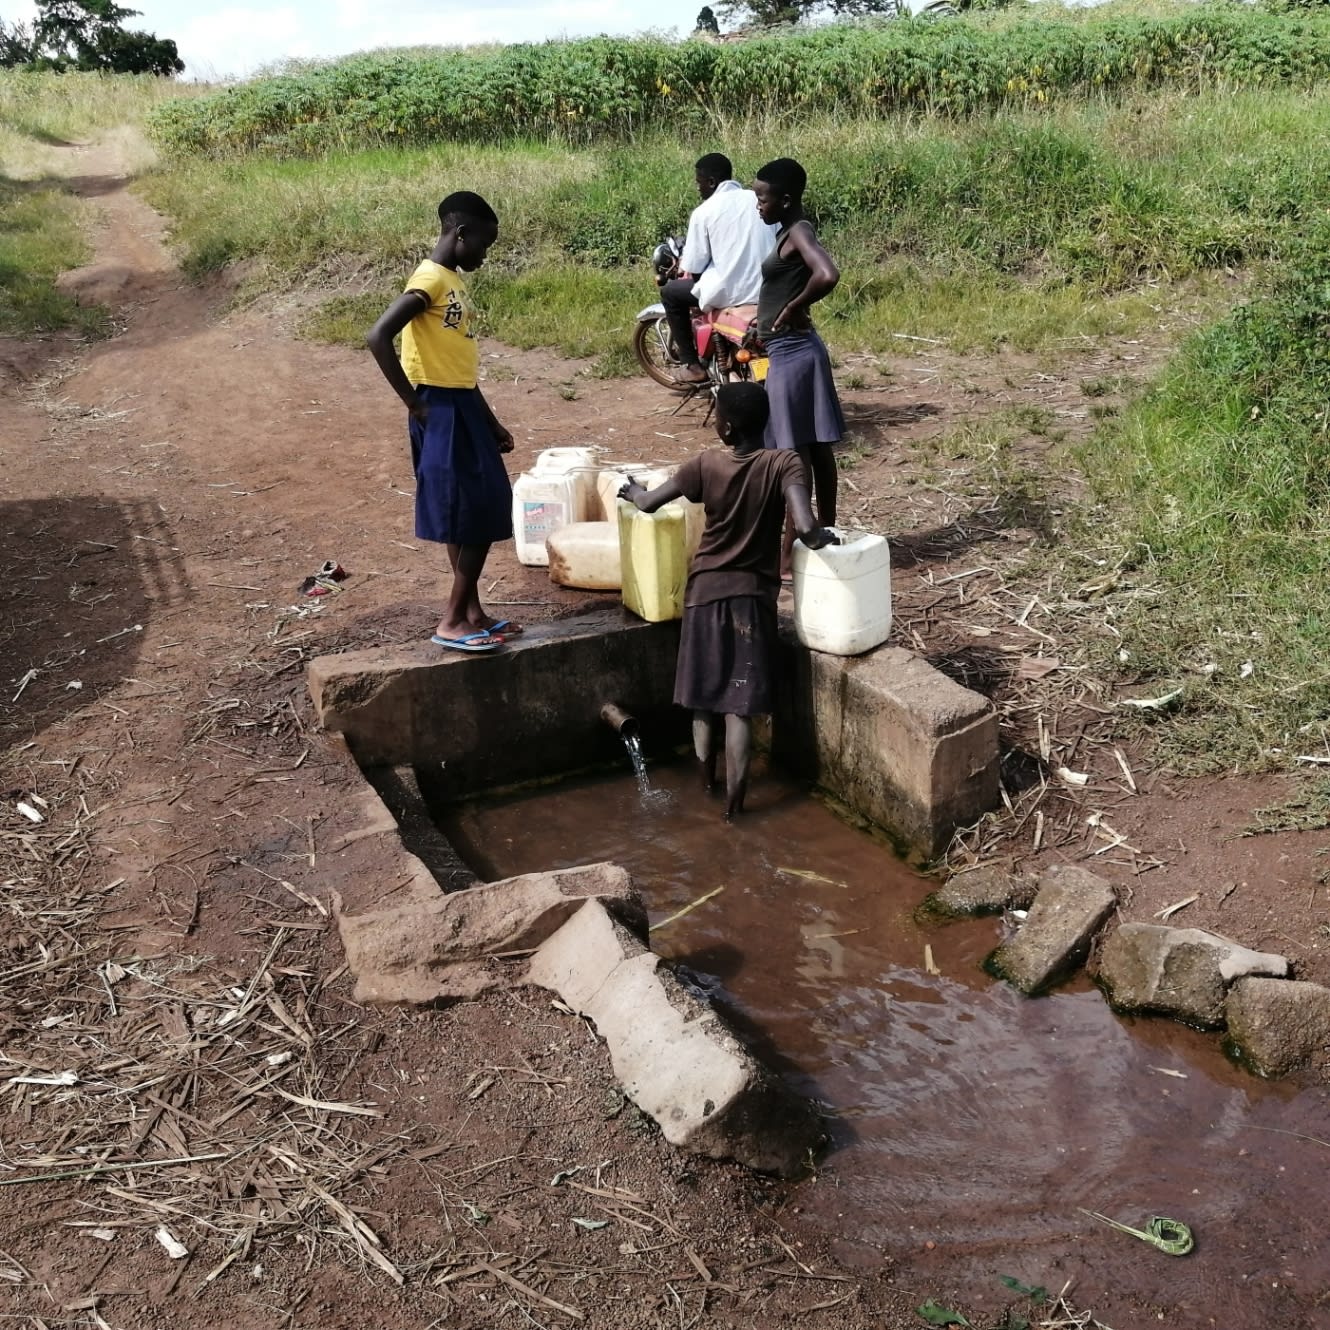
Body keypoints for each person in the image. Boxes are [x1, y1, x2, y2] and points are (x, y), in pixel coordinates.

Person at [619, 383, 837, 820]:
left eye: (716, 415)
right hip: (751, 601)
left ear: (727, 429)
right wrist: (823, 539)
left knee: (703, 698)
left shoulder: (705, 465)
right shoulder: (784, 463)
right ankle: (735, 812)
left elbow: (646, 504)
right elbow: (807, 526)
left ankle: (707, 786)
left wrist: (635, 489)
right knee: (739, 706)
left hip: (703, 595)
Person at [366, 190, 520, 654]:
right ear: (460, 233)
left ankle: (473, 612)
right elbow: (378, 335)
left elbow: (456, 364)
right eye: (484, 244)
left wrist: (490, 421)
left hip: (462, 404)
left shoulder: (451, 280)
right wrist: (415, 405)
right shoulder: (430, 280)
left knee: (463, 514)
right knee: (481, 509)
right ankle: (451, 620)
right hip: (441, 409)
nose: (485, 254)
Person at [752, 157, 845, 575]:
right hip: (795, 349)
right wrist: (768, 314)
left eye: (762, 198)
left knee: (794, 459)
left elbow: (827, 274)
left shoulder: (799, 231)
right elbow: (792, 279)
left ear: (786, 200)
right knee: (816, 447)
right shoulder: (789, 232)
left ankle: (790, 556)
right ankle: (825, 530)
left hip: (792, 352)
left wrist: (791, 307)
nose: (758, 205)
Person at [661, 152, 777, 386]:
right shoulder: (759, 200)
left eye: (699, 182)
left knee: (671, 293)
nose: (698, 188)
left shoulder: (704, 211)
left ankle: (692, 365)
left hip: (730, 294)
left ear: (712, 182)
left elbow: (693, 267)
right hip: (768, 289)